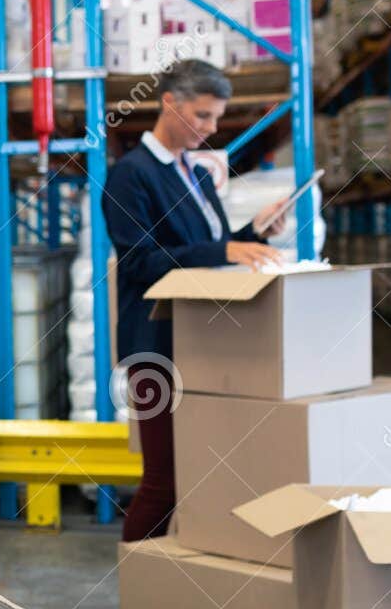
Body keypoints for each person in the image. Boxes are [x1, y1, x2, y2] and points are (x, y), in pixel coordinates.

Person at [102, 59, 287, 542]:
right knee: (164, 481)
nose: (211, 128)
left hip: (201, 340)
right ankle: (139, 603)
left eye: (216, 118)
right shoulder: (130, 176)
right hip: (156, 346)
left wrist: (251, 234)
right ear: (169, 102)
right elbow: (140, 261)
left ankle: (171, 590)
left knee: (201, 473)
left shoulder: (197, 176)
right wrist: (225, 248)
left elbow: (205, 253)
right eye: (202, 116)